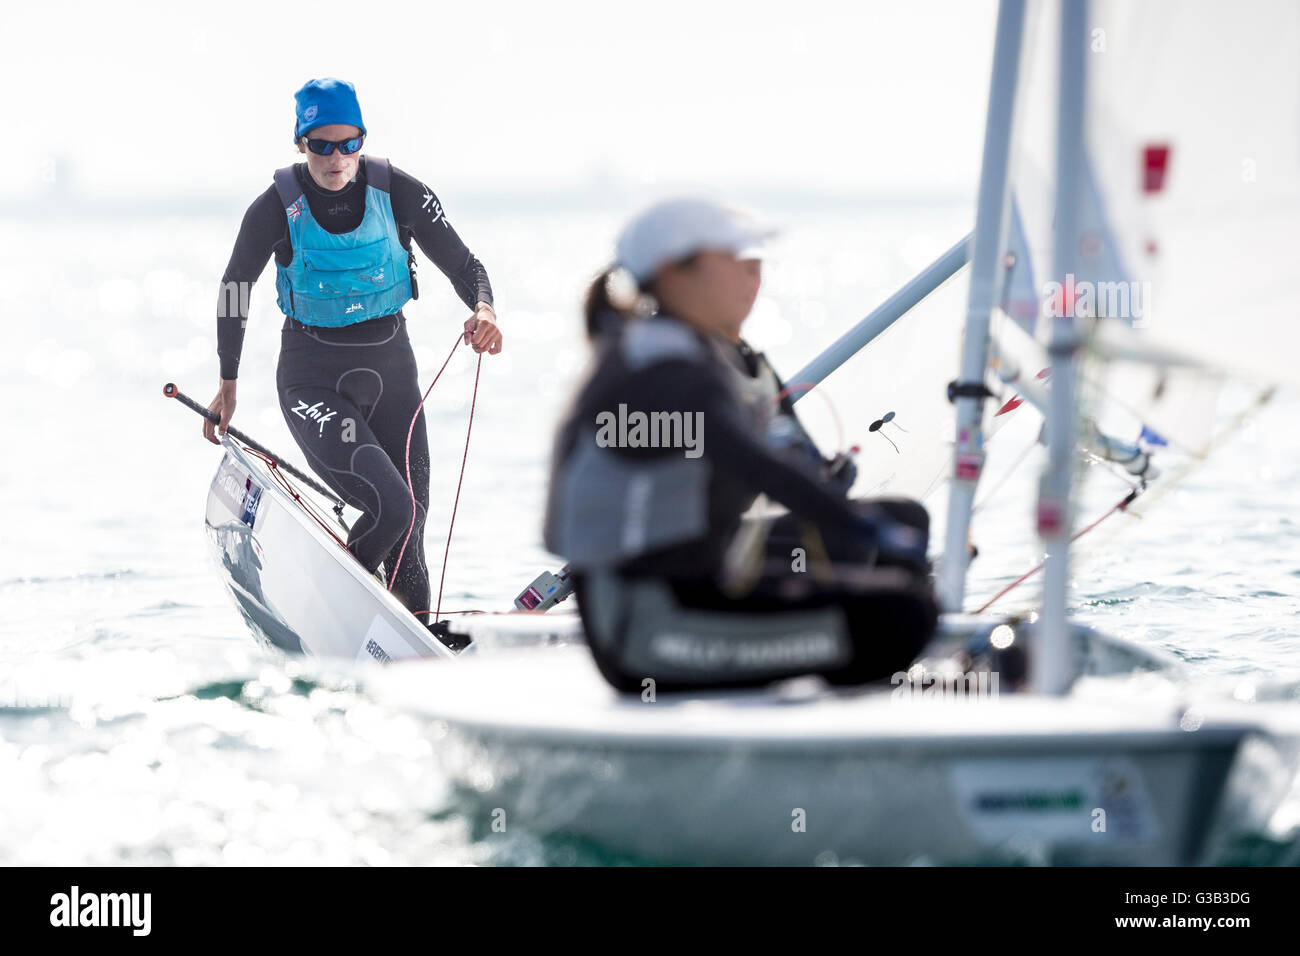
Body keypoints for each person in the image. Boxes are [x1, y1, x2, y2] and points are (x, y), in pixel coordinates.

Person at [544, 198, 938, 693]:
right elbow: (758, 465)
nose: (751, 277)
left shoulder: (672, 349)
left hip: (689, 589)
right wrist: (865, 528)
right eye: (735, 262)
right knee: (902, 615)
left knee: (899, 586)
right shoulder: (665, 369)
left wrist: (868, 523)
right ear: (675, 272)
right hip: (645, 635)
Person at [206, 78, 502, 634]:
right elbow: (234, 288)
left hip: (392, 371)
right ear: (301, 144)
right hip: (311, 380)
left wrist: (484, 309)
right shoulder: (275, 208)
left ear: (362, 140)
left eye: (348, 143)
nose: (336, 157)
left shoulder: (401, 193)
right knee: (391, 507)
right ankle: (337, 616)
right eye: (321, 144)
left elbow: (467, 267)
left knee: (410, 523)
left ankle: (411, 643)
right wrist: (228, 381)